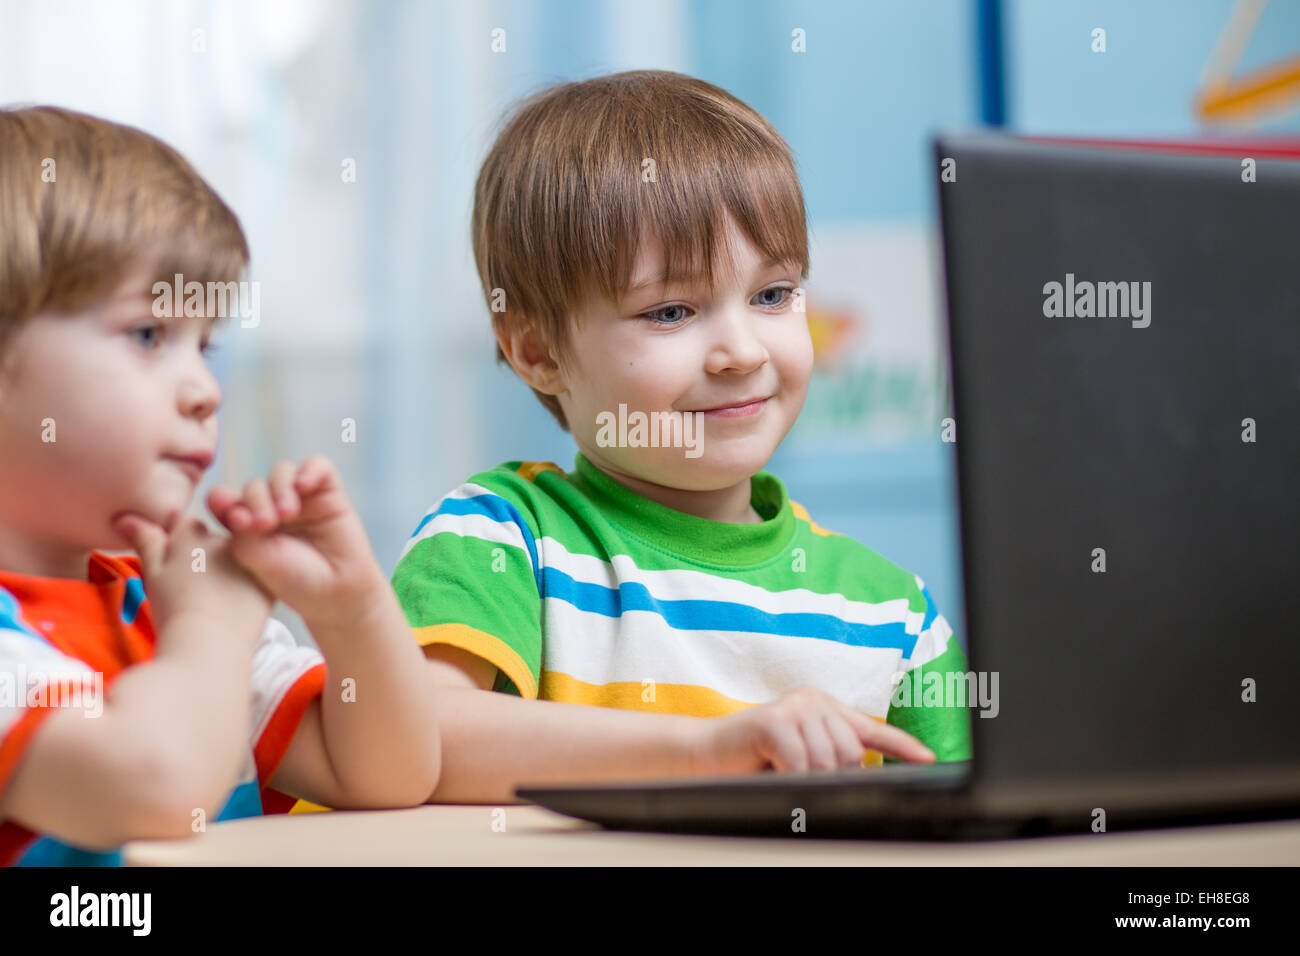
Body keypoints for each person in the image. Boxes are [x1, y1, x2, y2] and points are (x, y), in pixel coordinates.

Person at [389, 70, 971, 807]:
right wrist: (707, 753)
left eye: (772, 295)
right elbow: (417, 745)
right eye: (670, 311)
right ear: (537, 351)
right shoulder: (500, 542)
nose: (743, 351)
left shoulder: (896, 617)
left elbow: (970, 832)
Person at [0, 106, 440, 865]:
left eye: (205, 346)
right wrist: (209, 629)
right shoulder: (194, 615)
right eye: (148, 336)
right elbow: (153, 785)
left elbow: (388, 774)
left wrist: (351, 609)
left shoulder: (164, 595)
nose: (206, 389)